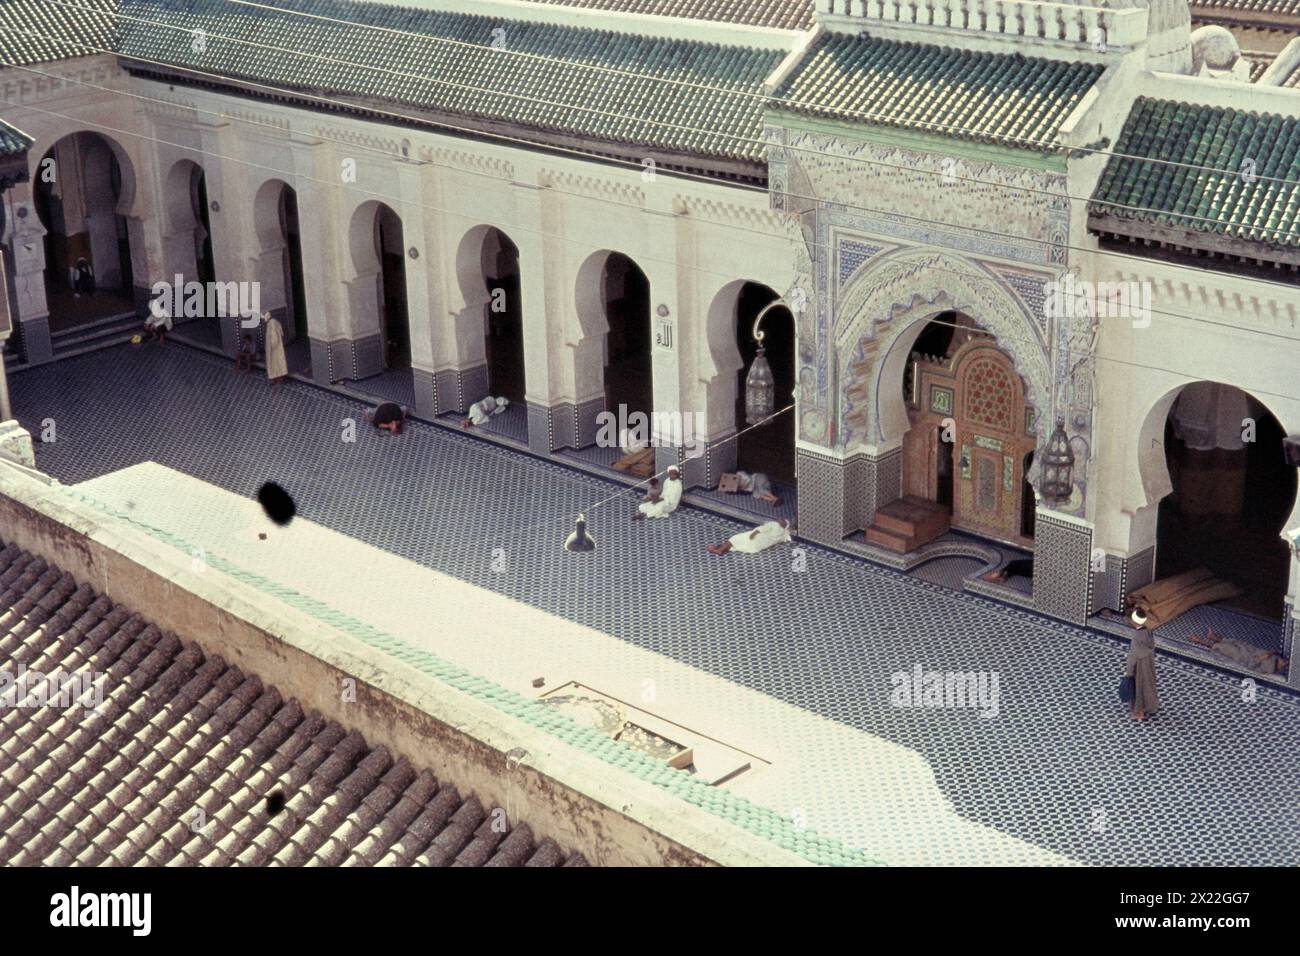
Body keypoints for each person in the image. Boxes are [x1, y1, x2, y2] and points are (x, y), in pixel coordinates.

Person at [1124, 626, 1161, 721]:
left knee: (1138, 688)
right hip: (1148, 664)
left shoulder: (1136, 637)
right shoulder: (1148, 632)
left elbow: (1133, 656)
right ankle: (1151, 707)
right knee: (1149, 685)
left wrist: (1129, 671)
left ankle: (1138, 713)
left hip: (1139, 667)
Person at [707, 518, 792, 555]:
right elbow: (787, 537)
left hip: (756, 538)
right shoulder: (784, 534)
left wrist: (753, 533)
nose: (780, 519)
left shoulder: (775, 524)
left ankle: (718, 550)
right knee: (736, 544)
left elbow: (763, 528)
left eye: (782, 520)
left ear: (782, 524)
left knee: (734, 539)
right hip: (757, 547)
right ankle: (718, 548)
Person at [263, 312, 288, 386]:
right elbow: (281, 332)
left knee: (275, 364)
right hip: (277, 347)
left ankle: (278, 379)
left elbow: (274, 337)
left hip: (274, 349)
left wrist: (272, 346)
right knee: (278, 363)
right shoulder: (274, 322)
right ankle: (278, 379)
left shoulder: (272, 323)